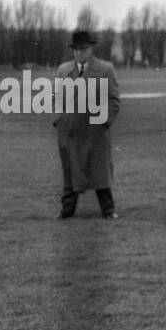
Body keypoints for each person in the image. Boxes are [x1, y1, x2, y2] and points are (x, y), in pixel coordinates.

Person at [53, 29, 121, 219]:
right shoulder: (63, 70)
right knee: (70, 172)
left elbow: (114, 100)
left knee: (100, 171)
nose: (79, 53)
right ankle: (67, 211)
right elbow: (56, 98)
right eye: (76, 49)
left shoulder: (105, 69)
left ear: (91, 49)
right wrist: (59, 119)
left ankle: (108, 211)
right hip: (70, 131)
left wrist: (105, 120)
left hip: (95, 131)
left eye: (83, 49)